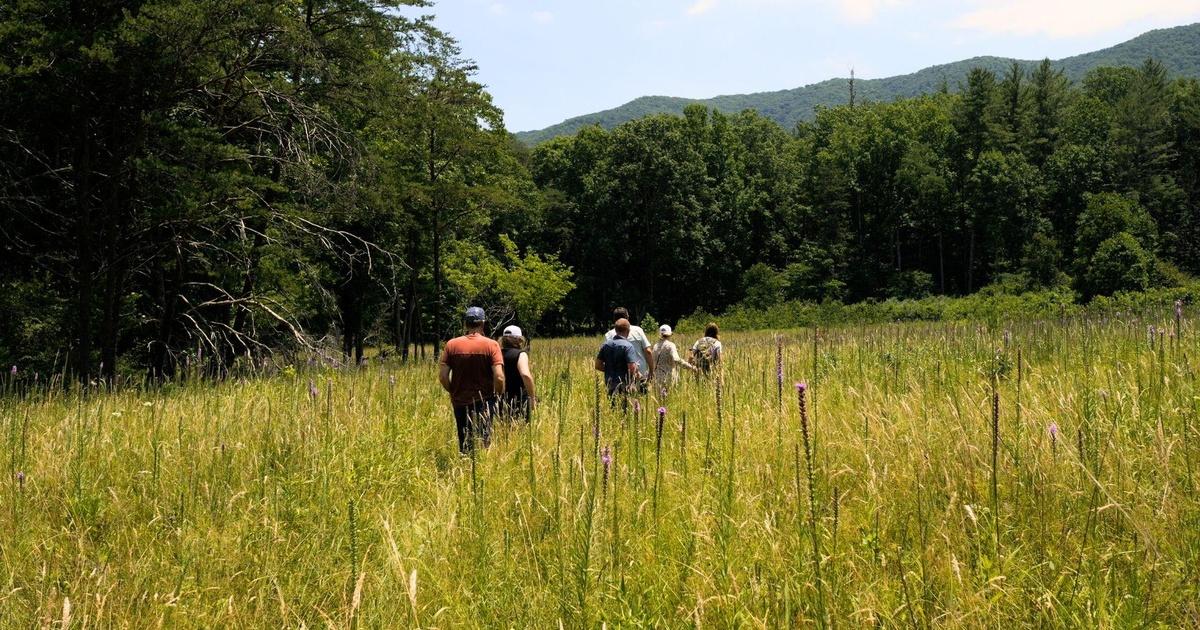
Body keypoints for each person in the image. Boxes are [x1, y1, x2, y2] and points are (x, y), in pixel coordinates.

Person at [438, 306, 504, 453]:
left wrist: (454, 390)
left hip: (460, 400)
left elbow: (443, 377)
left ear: (465, 324)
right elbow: (499, 376)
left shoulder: (452, 344)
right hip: (485, 400)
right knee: (484, 439)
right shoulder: (491, 345)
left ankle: (465, 465)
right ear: (483, 323)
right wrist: (498, 394)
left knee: (464, 439)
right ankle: (483, 467)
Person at [604, 307, 654, 392]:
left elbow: (606, 357)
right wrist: (651, 371)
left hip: (619, 376)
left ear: (614, 319)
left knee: (621, 402)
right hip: (640, 374)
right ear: (627, 317)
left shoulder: (609, 335)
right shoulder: (638, 330)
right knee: (640, 401)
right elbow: (648, 351)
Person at [499, 325, 536, 423]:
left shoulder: (497, 354)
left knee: (504, 429)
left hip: (501, 398)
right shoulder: (520, 354)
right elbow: (525, 375)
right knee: (521, 429)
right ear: (519, 339)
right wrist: (532, 397)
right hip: (519, 399)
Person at [596, 318, 639, 402]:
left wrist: (610, 369)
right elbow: (632, 368)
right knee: (625, 411)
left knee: (613, 409)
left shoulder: (606, 345)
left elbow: (598, 365)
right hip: (624, 386)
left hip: (610, 384)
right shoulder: (628, 346)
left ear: (615, 330)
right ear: (628, 330)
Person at [651, 324, 696, 391]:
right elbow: (676, 360)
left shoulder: (655, 346)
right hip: (668, 377)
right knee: (668, 399)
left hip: (657, 378)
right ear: (670, 334)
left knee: (659, 400)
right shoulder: (671, 345)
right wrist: (690, 367)